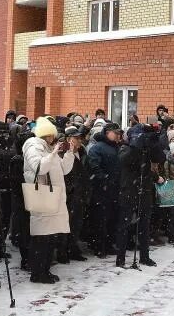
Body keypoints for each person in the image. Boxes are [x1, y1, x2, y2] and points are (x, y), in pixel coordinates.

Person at [22, 117, 75, 283]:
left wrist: (69, 153)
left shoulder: (48, 148)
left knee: (50, 237)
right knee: (41, 238)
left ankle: (45, 270)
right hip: (42, 197)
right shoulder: (34, 145)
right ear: (46, 134)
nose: (54, 138)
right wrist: (53, 153)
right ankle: (38, 272)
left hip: (52, 197)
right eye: (52, 135)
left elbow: (64, 170)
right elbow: (39, 167)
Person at [117, 124, 159, 266]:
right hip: (128, 191)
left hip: (145, 191)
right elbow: (124, 161)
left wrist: (153, 141)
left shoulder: (146, 150)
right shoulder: (125, 148)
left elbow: (160, 157)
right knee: (124, 224)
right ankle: (120, 257)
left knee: (144, 225)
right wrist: (136, 145)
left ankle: (144, 256)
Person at [87, 122, 122, 259]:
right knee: (101, 219)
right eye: (115, 133)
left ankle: (107, 245)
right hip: (101, 189)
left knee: (112, 218)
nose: (118, 135)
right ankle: (99, 247)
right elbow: (94, 167)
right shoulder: (97, 148)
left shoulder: (117, 147)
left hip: (114, 188)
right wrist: (105, 179)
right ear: (107, 133)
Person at [62, 125, 91, 262]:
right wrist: (71, 190)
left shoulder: (82, 152)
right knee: (67, 225)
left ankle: (72, 249)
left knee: (76, 224)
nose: (80, 141)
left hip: (80, 194)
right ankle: (64, 252)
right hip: (70, 195)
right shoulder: (62, 153)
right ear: (68, 139)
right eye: (76, 138)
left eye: (80, 138)